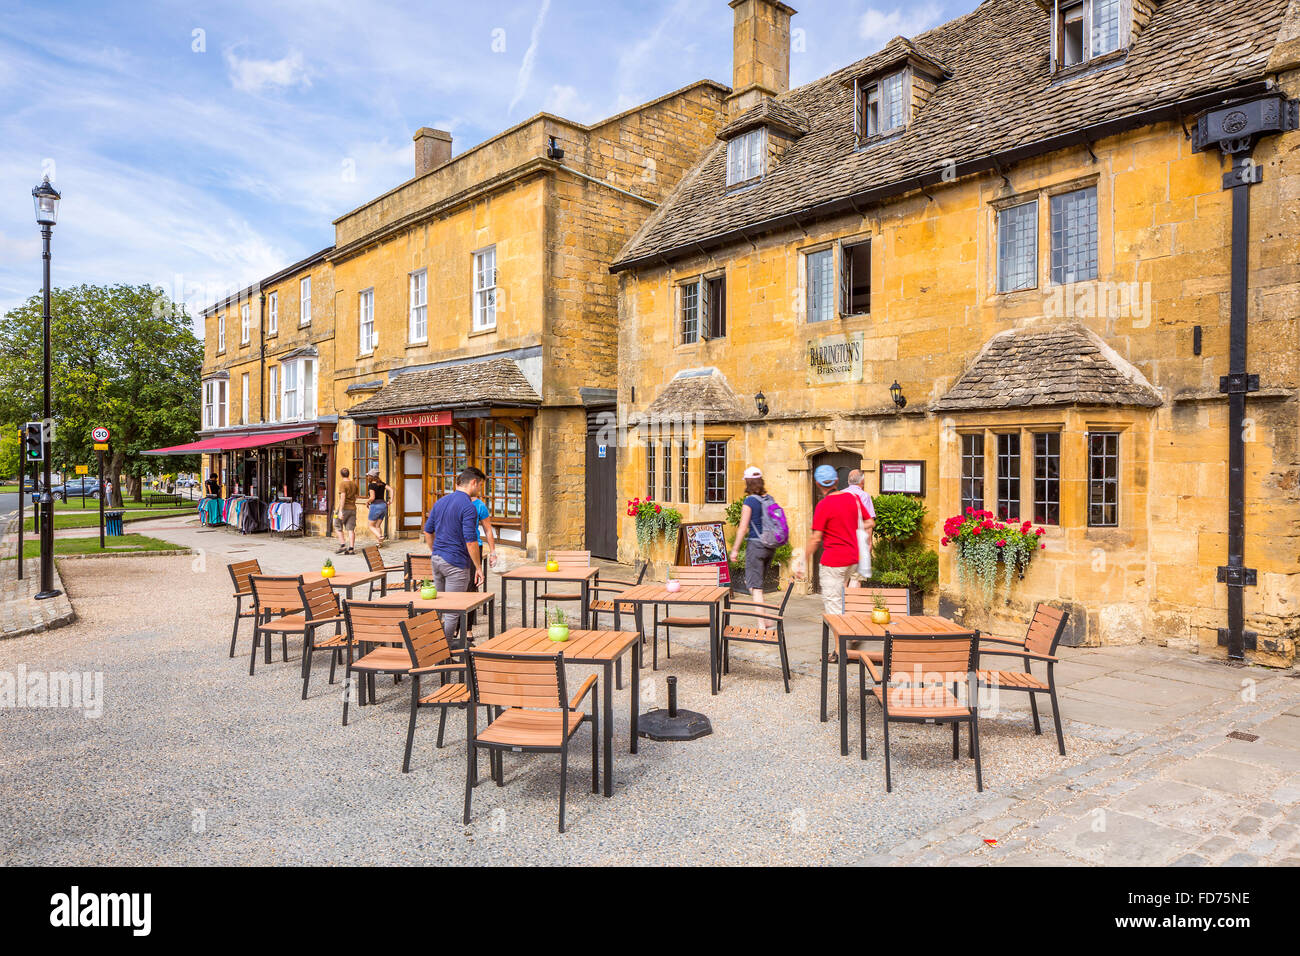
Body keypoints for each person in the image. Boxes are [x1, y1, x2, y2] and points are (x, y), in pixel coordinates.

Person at [423, 466, 486, 648]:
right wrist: (478, 568)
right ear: (473, 483)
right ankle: (443, 650)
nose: (479, 489)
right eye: (480, 485)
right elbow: (471, 541)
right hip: (456, 564)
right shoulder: (468, 507)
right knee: (453, 611)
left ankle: (436, 644)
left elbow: (428, 531)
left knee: (440, 607)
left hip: (437, 560)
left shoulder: (441, 502)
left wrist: (436, 551)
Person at [796, 464, 870, 617]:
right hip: (853, 559)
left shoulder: (824, 505)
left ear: (818, 484)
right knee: (847, 594)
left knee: (834, 607)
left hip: (833, 561)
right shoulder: (853, 498)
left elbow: (815, 539)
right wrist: (849, 526)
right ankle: (852, 629)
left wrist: (802, 560)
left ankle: (848, 636)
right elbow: (870, 522)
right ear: (837, 481)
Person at [729, 466, 776, 610]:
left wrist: (735, 550)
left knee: (755, 588)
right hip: (770, 546)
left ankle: (763, 625)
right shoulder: (770, 499)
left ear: (748, 483)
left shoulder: (749, 501)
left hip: (756, 546)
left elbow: (743, 528)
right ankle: (766, 620)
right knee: (756, 584)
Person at [463, 491, 497, 644]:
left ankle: (467, 627)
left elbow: (488, 529)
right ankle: (455, 625)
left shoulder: (479, 505)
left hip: (475, 546)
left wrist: (493, 552)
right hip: (455, 547)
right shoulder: (455, 501)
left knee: (470, 587)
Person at [843, 469, 876, 587]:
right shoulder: (864, 496)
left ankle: (841, 605)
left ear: (848, 481)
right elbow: (868, 521)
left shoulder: (840, 495)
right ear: (862, 481)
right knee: (856, 577)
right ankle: (851, 605)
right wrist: (869, 543)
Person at [334, 467, 358, 555]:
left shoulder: (342, 484)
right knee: (351, 529)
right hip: (353, 509)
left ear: (341, 475)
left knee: (337, 525)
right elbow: (355, 496)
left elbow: (343, 497)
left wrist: (340, 511)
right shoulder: (354, 484)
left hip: (344, 509)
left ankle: (343, 545)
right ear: (349, 474)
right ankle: (351, 549)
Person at [364, 466, 389, 544]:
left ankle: (380, 536)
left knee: (371, 525)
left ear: (371, 477)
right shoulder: (382, 484)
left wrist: (367, 502)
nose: (367, 477)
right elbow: (391, 489)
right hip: (384, 506)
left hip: (376, 506)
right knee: (377, 525)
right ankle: (379, 543)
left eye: (368, 476)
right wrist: (391, 500)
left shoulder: (371, 485)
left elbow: (372, 497)